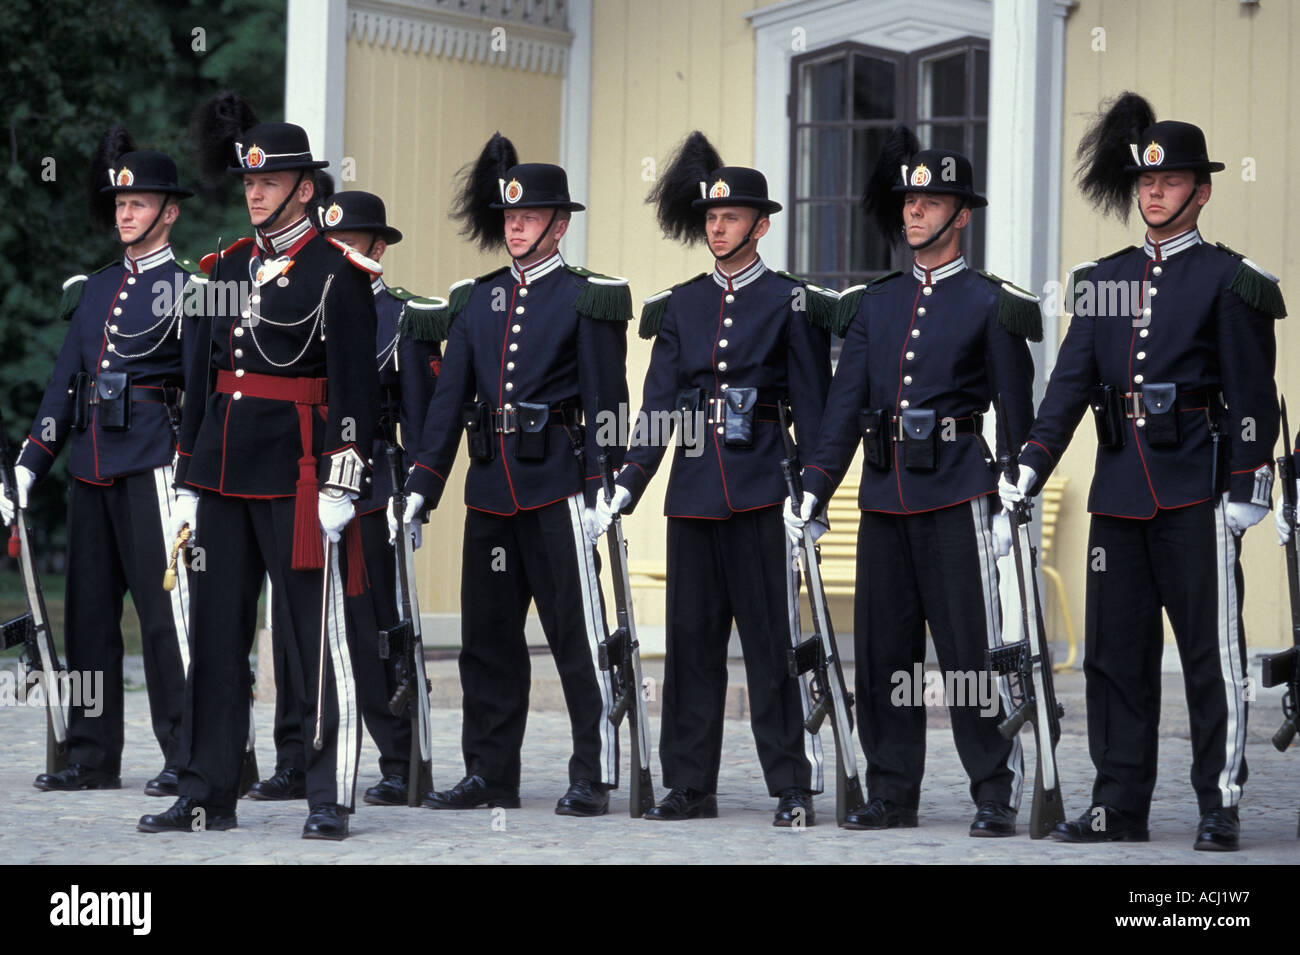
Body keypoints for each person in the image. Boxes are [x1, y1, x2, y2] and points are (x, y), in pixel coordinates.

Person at [1003, 93, 1283, 852]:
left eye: (1171, 181)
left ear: (1202, 190)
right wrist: (1028, 465)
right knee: (1113, 659)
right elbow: (1067, 388)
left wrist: (1247, 487)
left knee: (1209, 659)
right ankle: (1116, 804)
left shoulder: (1232, 279)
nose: (1154, 193)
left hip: (1198, 490)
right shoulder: (1101, 280)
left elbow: (1254, 393)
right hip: (1121, 494)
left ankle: (1218, 800)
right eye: (1146, 184)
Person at [137, 93, 379, 841]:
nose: (256, 193)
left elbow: (354, 391)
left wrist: (344, 477)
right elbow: (202, 374)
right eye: (249, 183)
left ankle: (327, 793)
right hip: (222, 473)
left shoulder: (340, 273)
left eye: (270, 182)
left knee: (316, 635)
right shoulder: (225, 265)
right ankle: (208, 788)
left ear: (305, 188)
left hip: (300, 471)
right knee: (214, 635)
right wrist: (186, 476)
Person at [786, 126, 1038, 836]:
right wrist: (814, 489)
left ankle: (993, 785)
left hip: (958, 493)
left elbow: (1016, 413)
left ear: (962, 214)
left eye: (931, 200)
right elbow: (841, 412)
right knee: (883, 652)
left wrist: (1010, 500)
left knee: (967, 650)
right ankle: (892, 788)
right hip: (884, 495)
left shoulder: (993, 303)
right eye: (909, 199)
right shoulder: (875, 303)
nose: (914, 211)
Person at [593, 131, 838, 825]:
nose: (718, 227)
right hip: (695, 495)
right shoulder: (683, 304)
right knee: (692, 650)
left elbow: (815, 410)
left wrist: (814, 492)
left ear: (760, 226)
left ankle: (791, 783)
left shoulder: (792, 302)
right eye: (710, 218)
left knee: (773, 648)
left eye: (731, 218)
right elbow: (660, 404)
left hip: (764, 489)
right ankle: (690, 783)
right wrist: (627, 482)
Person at [402, 134, 630, 816]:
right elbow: (448, 406)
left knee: (576, 637)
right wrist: (421, 485)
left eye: (529, 217)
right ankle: (490, 770)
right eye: (509, 217)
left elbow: (606, 402)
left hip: (558, 487)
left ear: (559, 224)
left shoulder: (588, 298)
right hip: (492, 491)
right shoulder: (477, 300)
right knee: (488, 642)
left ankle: (591, 771)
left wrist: (603, 484)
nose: (516, 227)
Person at [2, 127, 199, 797]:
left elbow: (200, 394)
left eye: (140, 203)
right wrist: (29, 465)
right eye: (120, 203)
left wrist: (194, 473)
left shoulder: (191, 289)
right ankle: (90, 754)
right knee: (87, 617)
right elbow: (65, 383)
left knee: (164, 619)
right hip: (89, 462)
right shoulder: (97, 289)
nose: (126, 213)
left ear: (169, 211)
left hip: (154, 465)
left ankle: (185, 752)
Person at [317, 189, 443, 805]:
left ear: (378, 248)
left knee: (378, 627)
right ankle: (305, 757)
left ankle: (399, 756)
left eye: (351, 242)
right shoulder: (305, 302)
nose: (338, 252)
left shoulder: (404, 316)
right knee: (305, 629)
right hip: (304, 481)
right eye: (331, 241)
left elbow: (419, 416)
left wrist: (416, 496)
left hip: (373, 485)